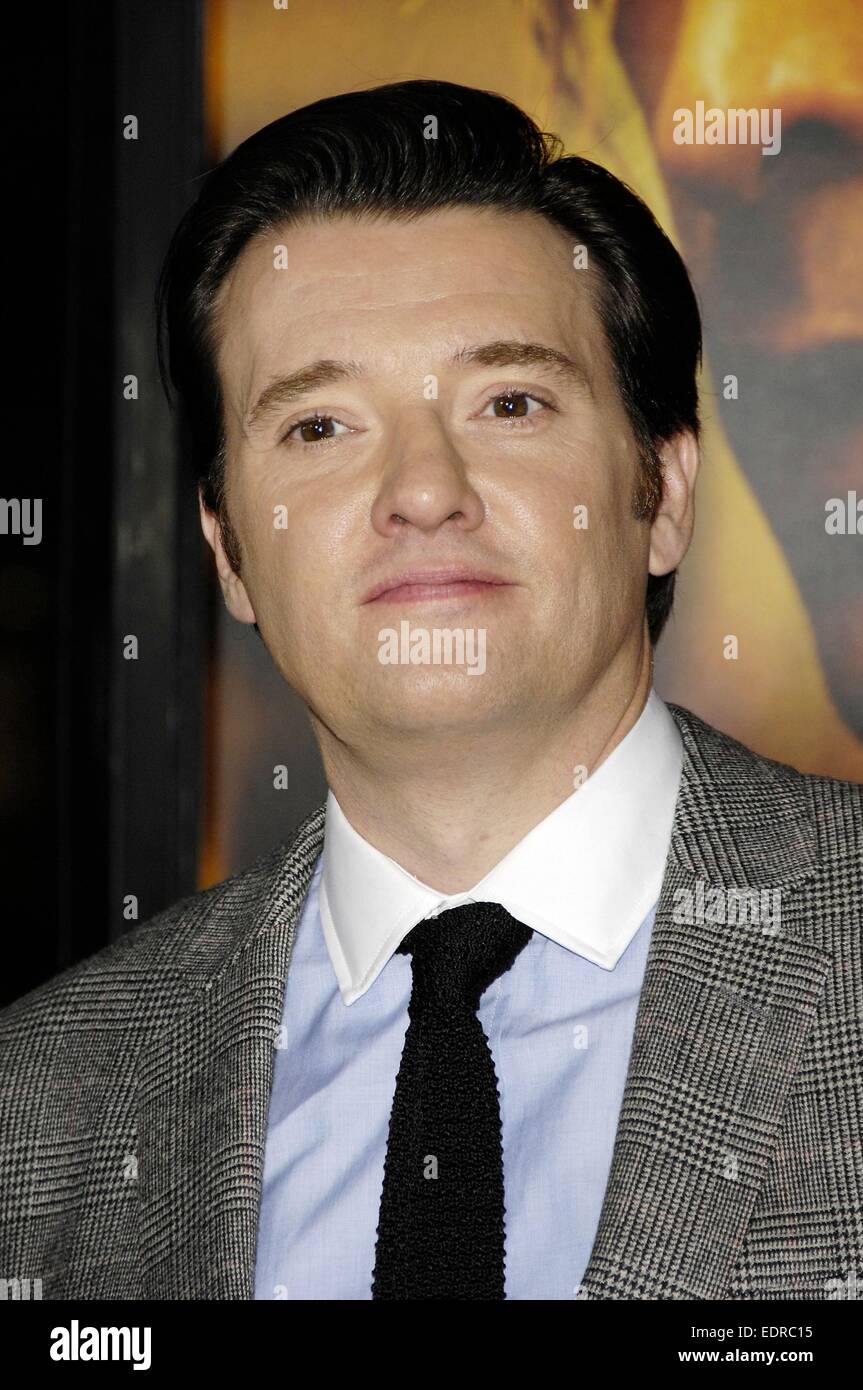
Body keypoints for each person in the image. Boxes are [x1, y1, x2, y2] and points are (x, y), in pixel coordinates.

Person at [0, 80, 859, 1301]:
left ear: (660, 494)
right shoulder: (37, 1107)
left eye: (507, 403)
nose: (420, 488)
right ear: (228, 548)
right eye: (319, 426)